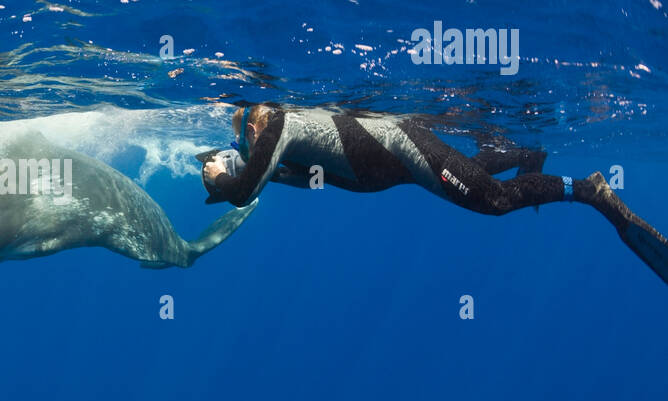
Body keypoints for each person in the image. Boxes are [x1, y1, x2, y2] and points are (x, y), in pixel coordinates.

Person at [199, 102, 668, 284]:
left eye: (245, 139)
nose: (247, 148)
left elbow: (245, 192)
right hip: (400, 168)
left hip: (404, 146)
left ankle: (588, 190)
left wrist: (221, 179)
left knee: (494, 201)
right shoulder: (283, 145)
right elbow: (304, 178)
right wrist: (244, 176)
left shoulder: (283, 122)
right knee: (472, 174)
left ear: (259, 122)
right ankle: (524, 150)